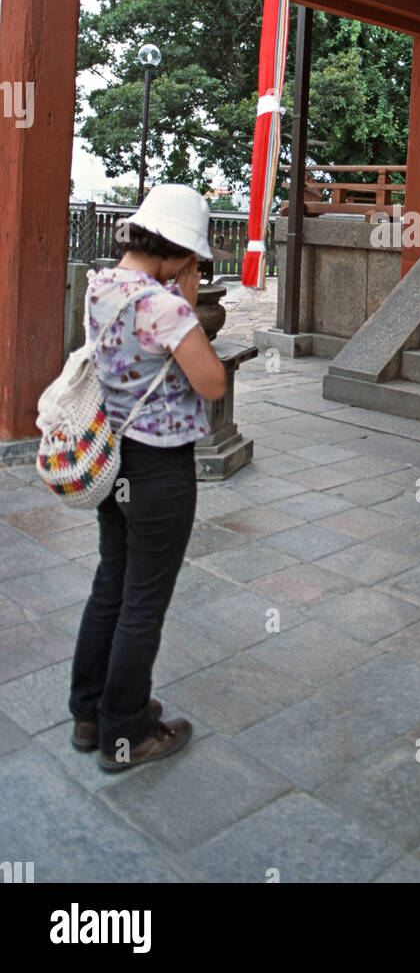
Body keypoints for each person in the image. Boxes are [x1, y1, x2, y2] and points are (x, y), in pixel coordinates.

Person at [68, 184, 227, 772]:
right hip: (159, 468)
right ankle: (126, 733)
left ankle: (90, 712)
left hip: (114, 457)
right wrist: (185, 301)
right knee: (143, 600)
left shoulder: (102, 287)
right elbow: (211, 382)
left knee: (112, 580)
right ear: (180, 249)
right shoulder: (166, 306)